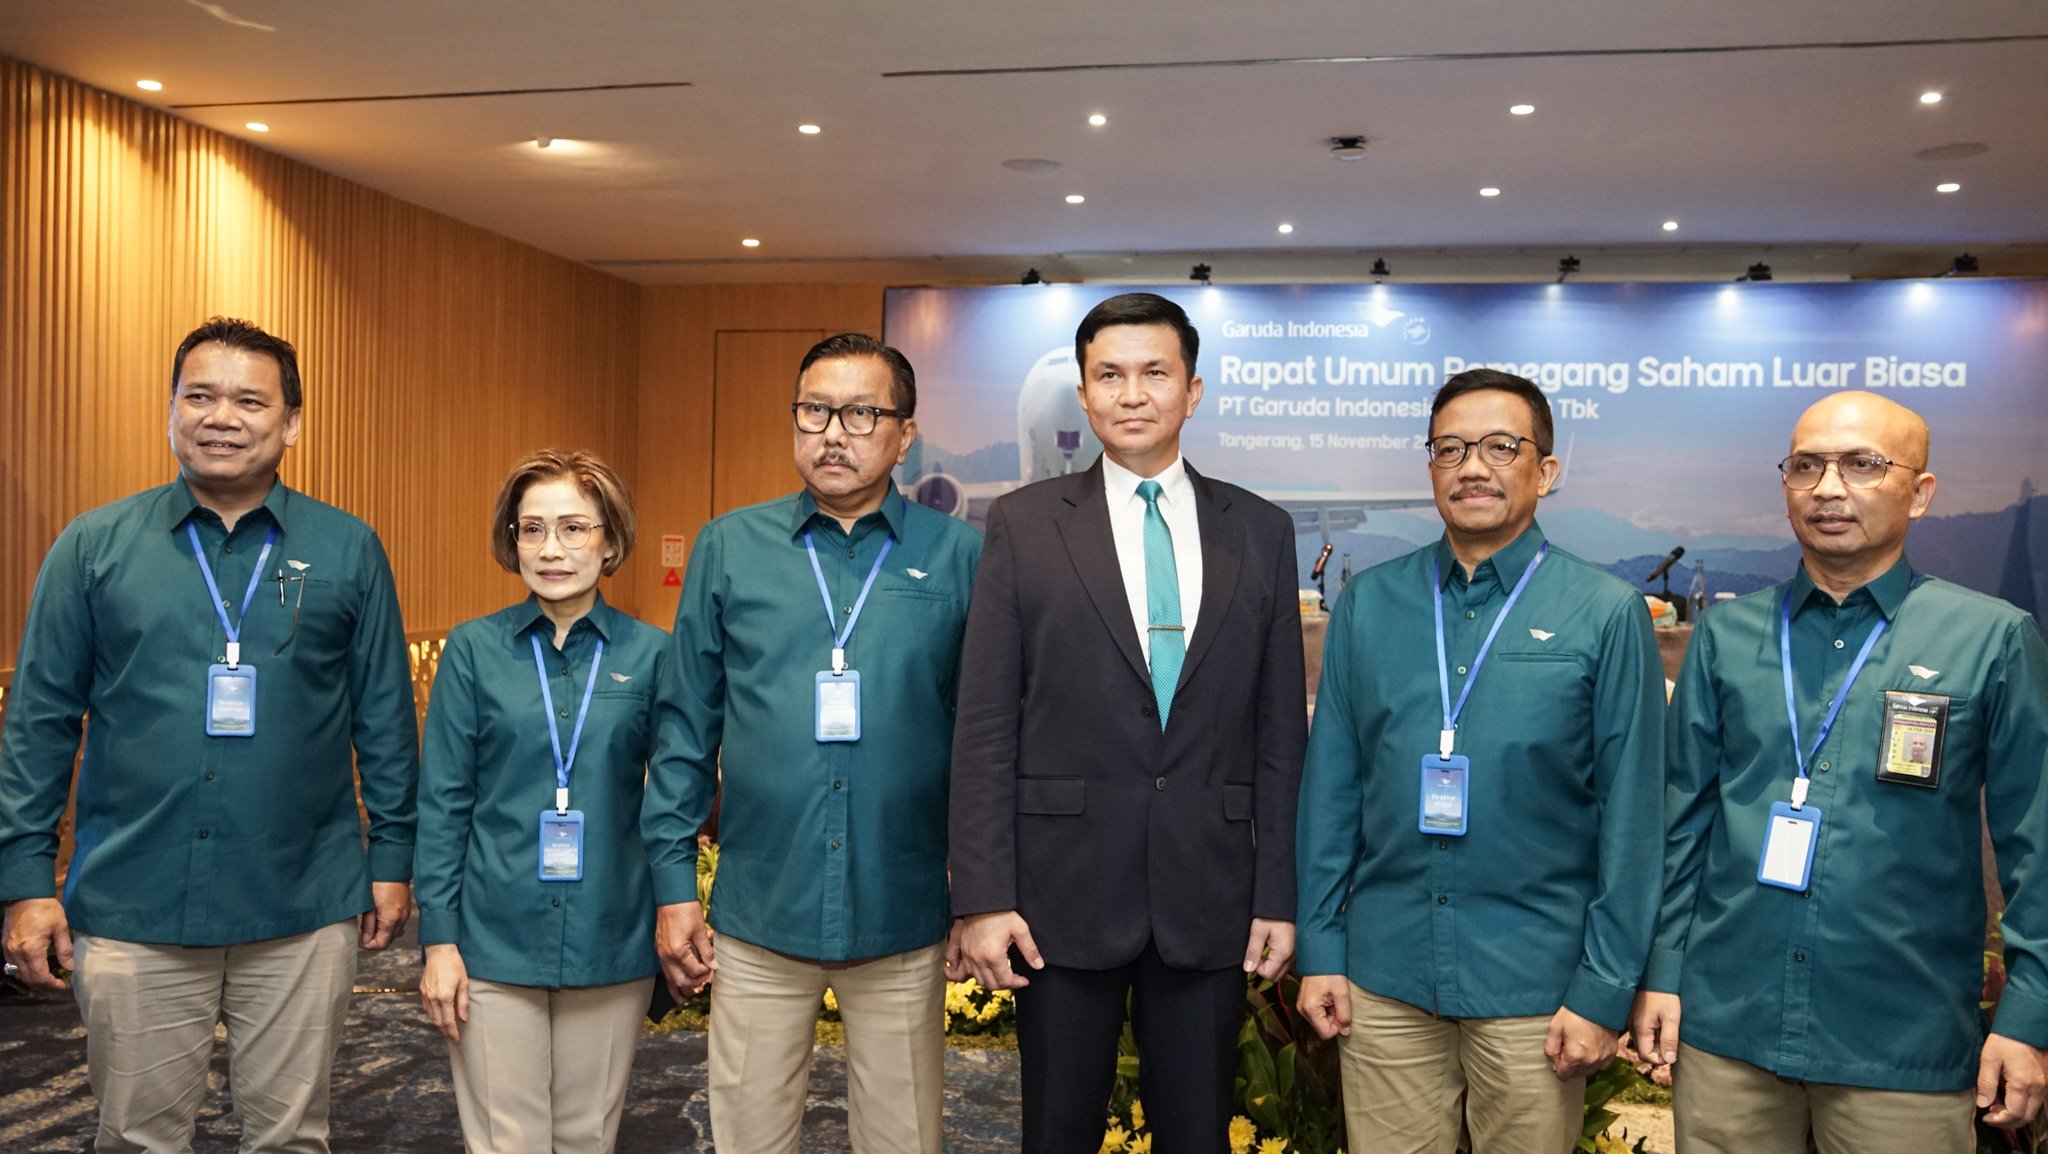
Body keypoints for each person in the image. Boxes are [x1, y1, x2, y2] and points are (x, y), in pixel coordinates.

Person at [0, 317, 418, 1153]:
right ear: (171, 411)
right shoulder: (94, 547)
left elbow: (386, 721)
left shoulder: (347, 549)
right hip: (133, 899)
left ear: (291, 423)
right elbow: (39, 722)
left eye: (248, 400)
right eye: (200, 395)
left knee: (293, 1138)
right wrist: (24, 878)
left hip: (302, 903)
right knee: (135, 1138)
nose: (221, 416)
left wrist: (393, 861)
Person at [1633, 392, 2048, 1153]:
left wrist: (2029, 1016)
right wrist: (1663, 972)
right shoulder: (1728, 635)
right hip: (1730, 1029)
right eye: (1806, 465)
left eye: (1862, 465)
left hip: (1902, 1041)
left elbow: (2038, 846)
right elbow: (1681, 822)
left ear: (1920, 493)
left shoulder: (1991, 638)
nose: (1829, 488)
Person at [949, 292, 1307, 1154]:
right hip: (1058, 898)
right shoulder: (1024, 525)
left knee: (1197, 1137)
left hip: (1210, 894)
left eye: (1155, 373)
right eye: (1109, 374)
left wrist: (1277, 894)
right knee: (1058, 1134)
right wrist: (986, 897)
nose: (1132, 393)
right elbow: (987, 722)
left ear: (1193, 390)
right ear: (1083, 393)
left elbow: (1277, 736)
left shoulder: (1259, 529)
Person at [1293, 369, 1666, 1154]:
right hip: (1385, 976)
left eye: (1502, 447)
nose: (1473, 466)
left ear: (1546, 471)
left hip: (1536, 985)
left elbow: (1634, 817)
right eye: (1451, 448)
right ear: (1430, 466)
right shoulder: (1370, 604)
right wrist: (1322, 950)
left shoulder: (1602, 611)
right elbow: (1332, 789)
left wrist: (1604, 992)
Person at [647, 333, 981, 1154]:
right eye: (814, 410)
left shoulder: (964, 555)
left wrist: (978, 894)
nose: (833, 432)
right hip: (762, 906)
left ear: (905, 435)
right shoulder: (730, 547)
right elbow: (686, 727)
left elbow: (987, 743)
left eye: (862, 413)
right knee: (748, 1138)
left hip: (902, 908)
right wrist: (673, 885)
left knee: (903, 1140)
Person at [415, 450, 675, 1154]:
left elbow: (675, 801)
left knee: (587, 1138)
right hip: (491, 939)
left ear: (610, 540)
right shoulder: (472, 652)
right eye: (532, 529)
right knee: (507, 1141)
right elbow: (443, 803)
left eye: (573, 528)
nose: (551, 548)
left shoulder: (654, 656)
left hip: (610, 935)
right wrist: (439, 940)